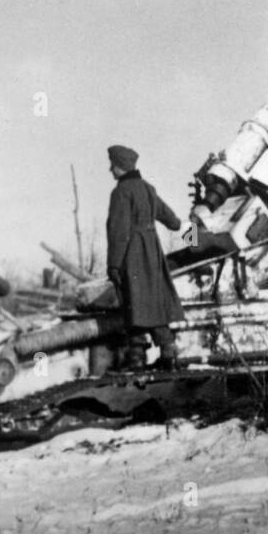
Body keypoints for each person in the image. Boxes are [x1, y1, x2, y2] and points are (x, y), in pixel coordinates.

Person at [106, 145, 183, 370]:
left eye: (113, 166)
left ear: (122, 167)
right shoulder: (148, 188)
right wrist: (187, 229)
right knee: (154, 300)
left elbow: (118, 231)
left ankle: (137, 356)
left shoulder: (121, 191)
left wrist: (114, 264)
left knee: (133, 301)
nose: (111, 170)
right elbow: (172, 220)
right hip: (152, 250)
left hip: (132, 251)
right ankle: (168, 351)